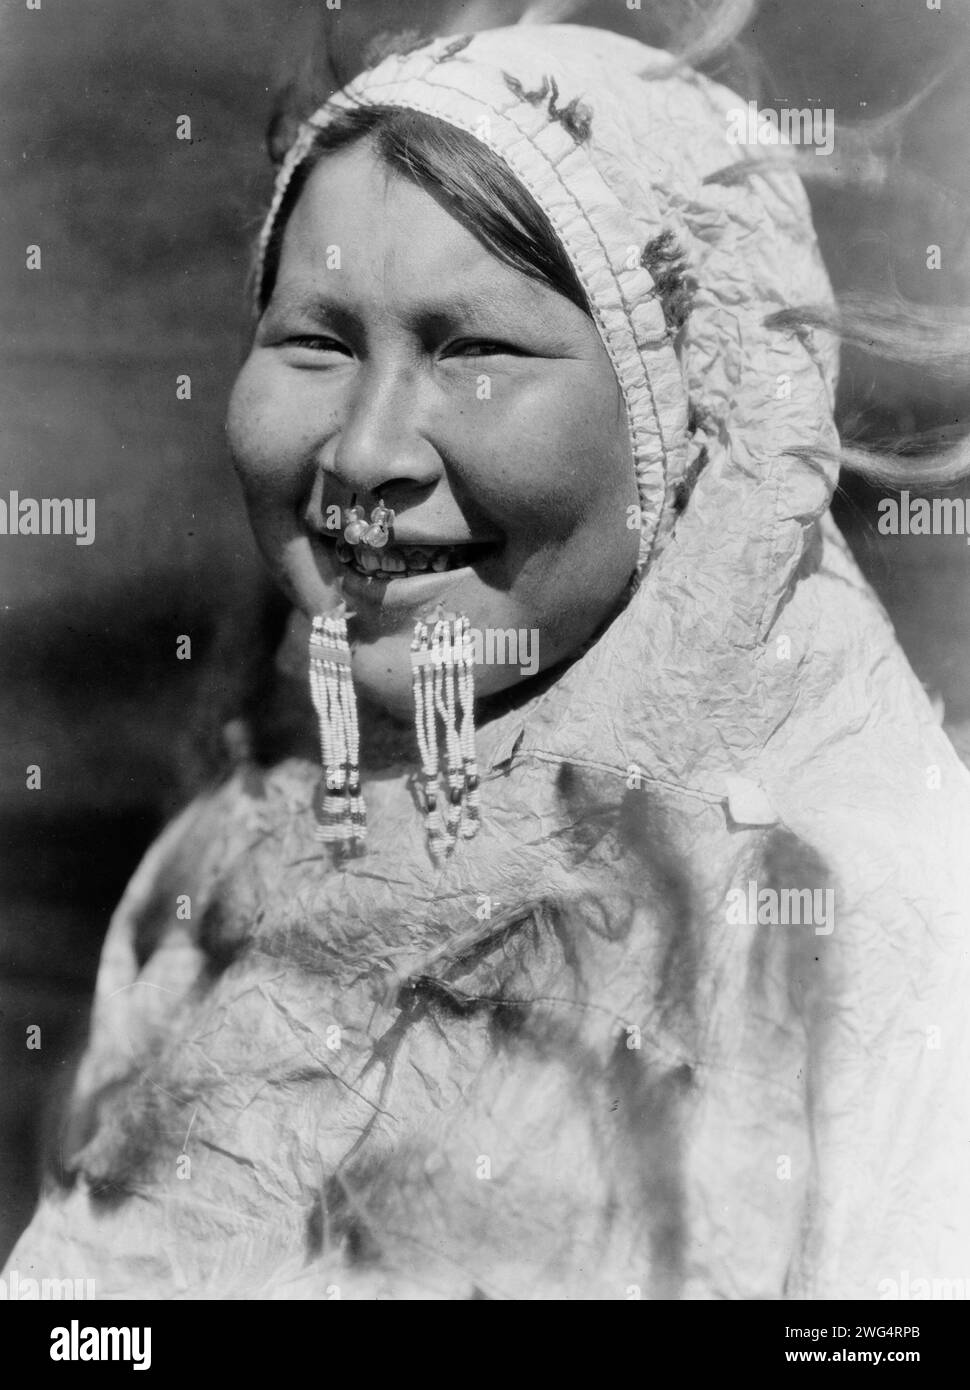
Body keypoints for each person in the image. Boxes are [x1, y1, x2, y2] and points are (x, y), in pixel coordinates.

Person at [7, 15, 970, 1300]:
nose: (362, 454)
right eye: (317, 342)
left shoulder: (859, 939)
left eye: (474, 350)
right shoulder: (222, 864)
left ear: (687, 410)